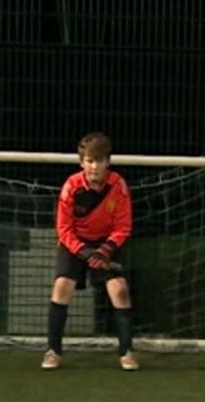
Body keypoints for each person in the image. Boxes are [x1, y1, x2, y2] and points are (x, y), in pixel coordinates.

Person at [42, 132, 138, 371]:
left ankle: (126, 352)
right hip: (76, 244)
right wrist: (84, 252)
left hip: (106, 244)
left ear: (108, 161)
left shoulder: (118, 185)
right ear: (82, 162)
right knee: (62, 287)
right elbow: (63, 229)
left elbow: (123, 226)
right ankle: (53, 351)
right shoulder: (71, 186)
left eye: (99, 161)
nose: (94, 167)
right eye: (89, 161)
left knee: (120, 291)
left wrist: (105, 250)